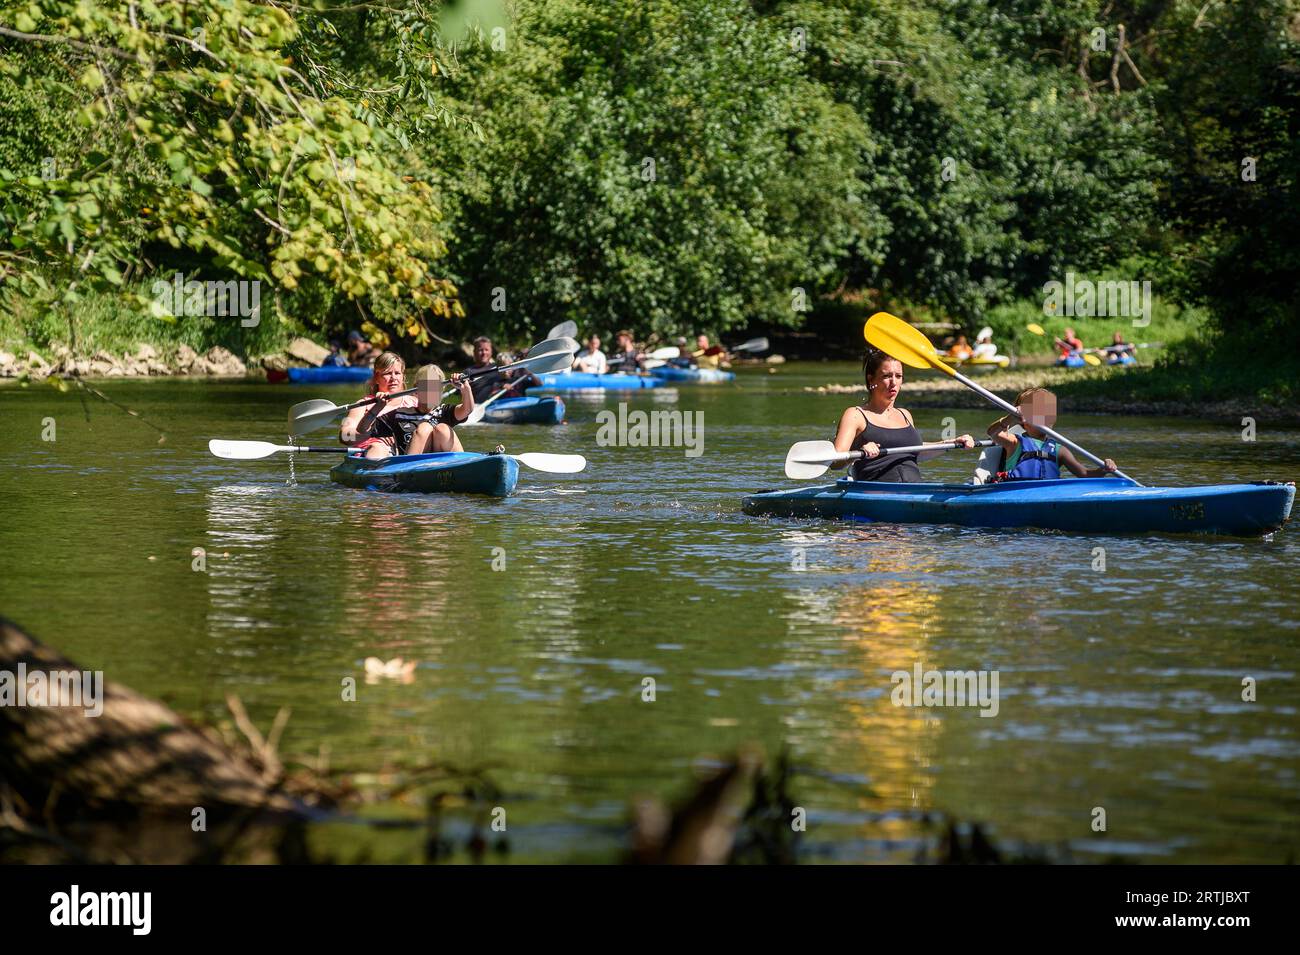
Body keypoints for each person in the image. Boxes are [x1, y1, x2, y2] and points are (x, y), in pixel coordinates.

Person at [832, 347, 975, 482]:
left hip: (914, 491)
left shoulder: (904, 414)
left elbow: (916, 451)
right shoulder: (855, 415)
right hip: (874, 491)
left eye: (898, 376)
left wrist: (951, 443)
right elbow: (835, 462)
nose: (893, 382)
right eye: (887, 376)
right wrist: (859, 452)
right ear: (871, 379)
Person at [985, 387, 1117, 481]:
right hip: (1017, 492)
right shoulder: (1014, 442)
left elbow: (1085, 475)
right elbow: (992, 432)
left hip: (1048, 494)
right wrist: (1011, 418)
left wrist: (1103, 470)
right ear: (1024, 420)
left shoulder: (1060, 451)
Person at [339, 352, 418, 459]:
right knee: (378, 447)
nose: (393, 378)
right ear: (376, 377)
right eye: (387, 373)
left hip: (408, 452)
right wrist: (375, 432)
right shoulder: (361, 405)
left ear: (403, 377)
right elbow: (345, 437)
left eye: (397, 373)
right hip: (374, 452)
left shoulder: (415, 403)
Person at [400, 365, 474, 455]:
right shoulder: (399, 414)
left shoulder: (444, 411)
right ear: (416, 390)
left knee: (443, 429)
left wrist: (465, 388)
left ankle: (462, 463)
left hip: (441, 461)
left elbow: (467, 409)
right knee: (424, 429)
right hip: (414, 461)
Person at [465, 336, 541, 403]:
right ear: (474, 351)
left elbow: (511, 366)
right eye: (480, 350)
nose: (484, 353)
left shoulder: (500, 367)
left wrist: (524, 360)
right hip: (480, 405)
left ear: (491, 351)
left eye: (486, 350)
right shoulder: (468, 372)